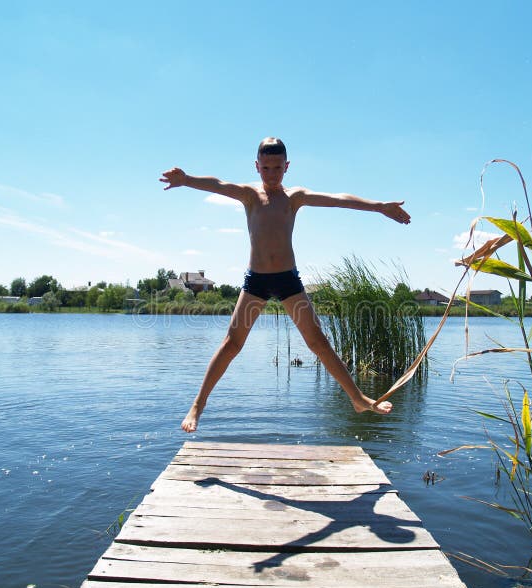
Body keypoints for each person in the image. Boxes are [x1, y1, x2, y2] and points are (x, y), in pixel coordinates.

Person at [160, 137, 411, 432]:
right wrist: (187, 180)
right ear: (257, 167)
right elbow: (218, 184)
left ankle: (357, 399)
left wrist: (379, 207)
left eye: (277, 168)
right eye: (266, 168)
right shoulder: (249, 195)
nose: (271, 174)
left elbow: (338, 199)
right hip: (256, 281)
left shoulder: (294, 198)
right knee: (232, 343)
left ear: (287, 166)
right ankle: (197, 405)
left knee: (318, 341)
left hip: (287, 280)